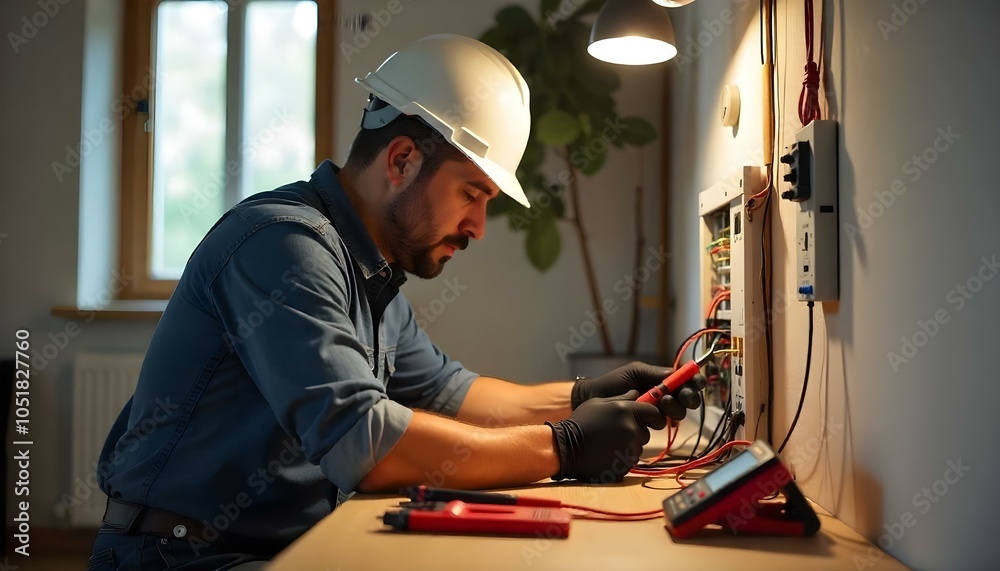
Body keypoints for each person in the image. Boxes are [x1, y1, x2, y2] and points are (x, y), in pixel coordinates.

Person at [88, 34, 700, 570]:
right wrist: (563, 445)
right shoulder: (283, 247)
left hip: (267, 548)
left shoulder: (371, 272)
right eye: (471, 193)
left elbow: (454, 395)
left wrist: (588, 395)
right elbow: (367, 445)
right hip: (180, 557)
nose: (480, 226)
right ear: (403, 160)